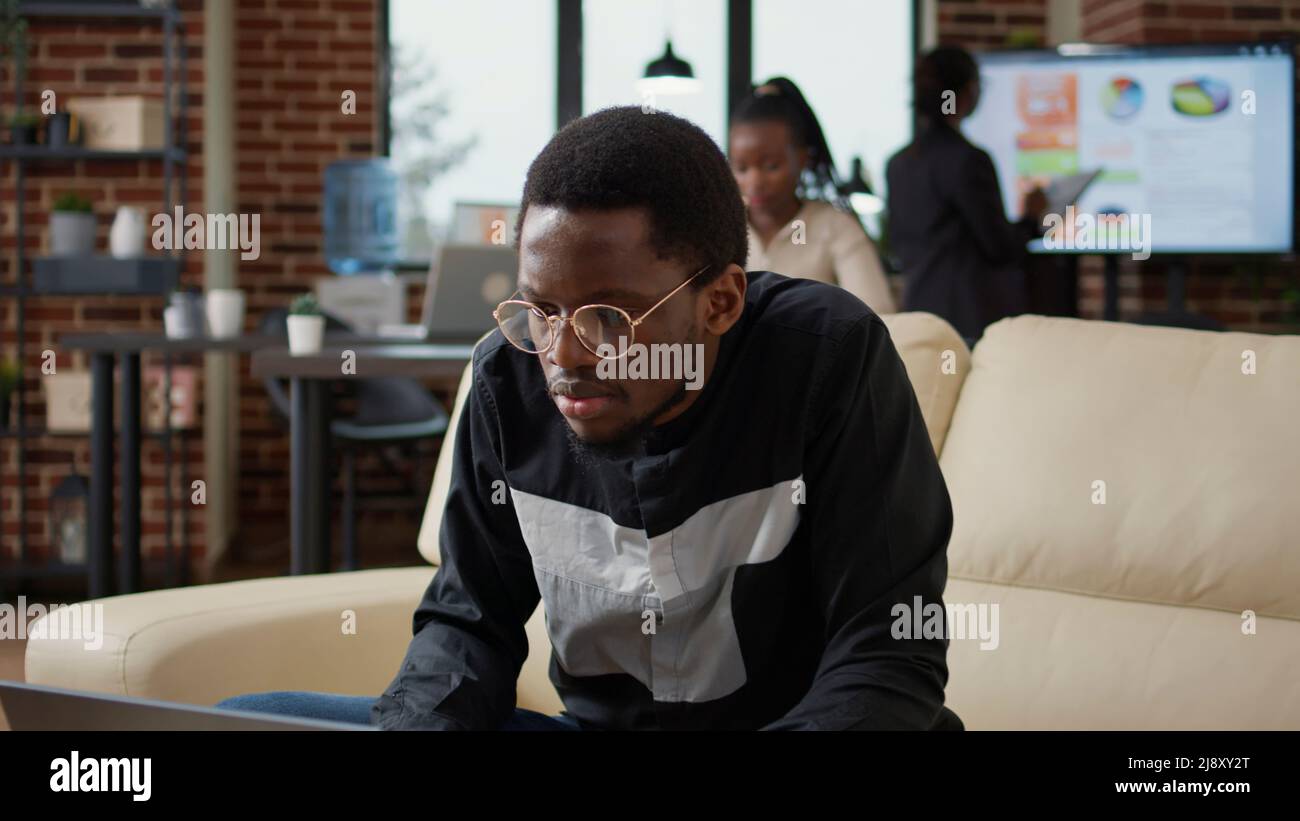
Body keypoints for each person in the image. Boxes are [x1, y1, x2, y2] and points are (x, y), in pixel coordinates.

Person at [219, 105, 960, 731]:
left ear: (721, 303)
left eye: (610, 316)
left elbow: (887, 653)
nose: (564, 354)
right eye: (540, 310)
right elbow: (468, 622)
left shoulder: (827, 360)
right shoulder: (506, 380)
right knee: (249, 717)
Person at [886, 46, 1047, 344]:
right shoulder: (968, 160)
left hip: (918, 314)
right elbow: (999, 248)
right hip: (970, 320)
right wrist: (1032, 217)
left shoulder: (898, 164)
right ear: (969, 92)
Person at [729, 77, 897, 315]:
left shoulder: (836, 228)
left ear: (803, 158)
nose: (754, 182)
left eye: (771, 166)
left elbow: (878, 316)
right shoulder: (720, 229)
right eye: (742, 168)